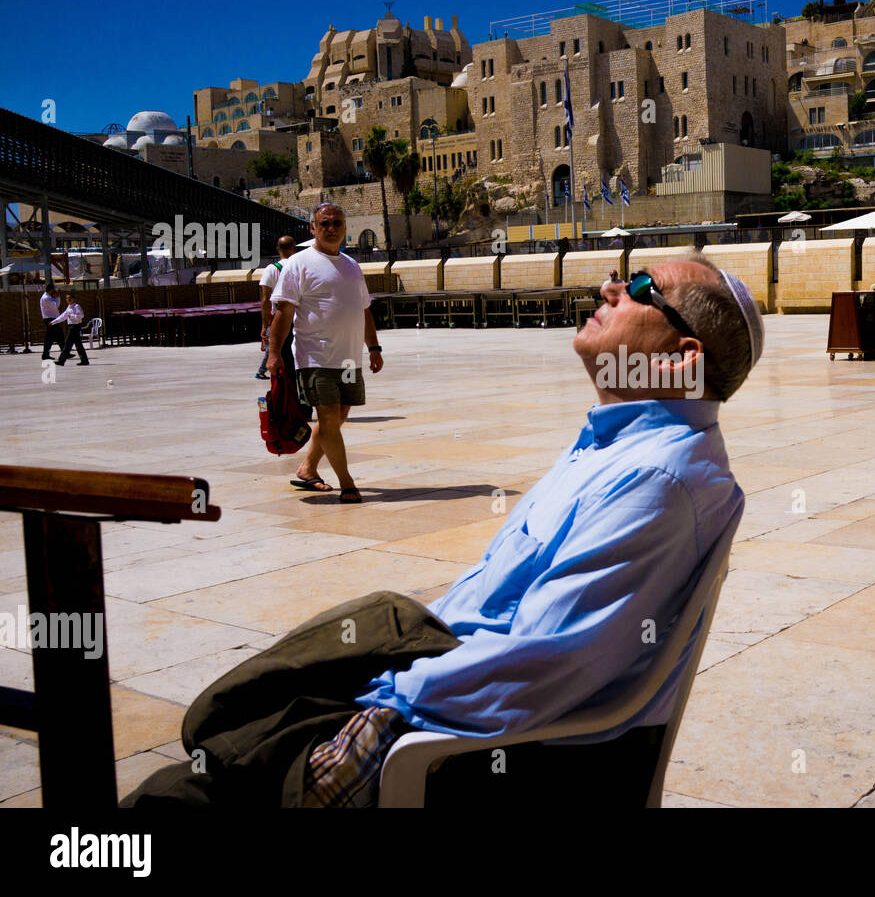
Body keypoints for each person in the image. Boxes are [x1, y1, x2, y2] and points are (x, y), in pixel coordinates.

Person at [123, 251, 764, 808]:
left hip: (472, 755)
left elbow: (545, 660)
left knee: (173, 800)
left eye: (645, 289)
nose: (611, 289)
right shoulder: (622, 449)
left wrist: (383, 704)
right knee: (220, 737)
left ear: (682, 359)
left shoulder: (657, 479)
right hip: (438, 687)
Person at [267, 204, 382, 502]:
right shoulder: (298, 263)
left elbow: (364, 309)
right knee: (329, 416)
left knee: (338, 417)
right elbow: (283, 311)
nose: (332, 228)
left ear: (345, 227)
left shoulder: (351, 265)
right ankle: (348, 483)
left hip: (348, 358)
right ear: (313, 228)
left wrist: (374, 347)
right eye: (325, 223)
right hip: (315, 357)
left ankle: (307, 469)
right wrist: (274, 353)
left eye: (337, 223)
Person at [256, 236, 299, 380]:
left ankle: (286, 395)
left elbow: (265, 300)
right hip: (301, 318)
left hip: (280, 319)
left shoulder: (271, 269)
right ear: (294, 249)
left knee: (283, 358)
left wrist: (265, 325)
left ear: (277, 249)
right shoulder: (301, 266)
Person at [51, 292, 89, 366]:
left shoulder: (76, 306)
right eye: (67, 298)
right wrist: (53, 322)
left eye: (69, 298)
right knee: (78, 345)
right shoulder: (68, 307)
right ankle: (84, 360)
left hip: (75, 327)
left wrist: (71, 316)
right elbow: (63, 316)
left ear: (73, 299)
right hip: (71, 327)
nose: (68, 299)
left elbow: (81, 315)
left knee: (67, 344)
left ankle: (61, 361)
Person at [39, 283, 64, 360]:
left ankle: (46, 354)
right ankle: (65, 351)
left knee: (51, 337)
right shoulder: (47, 298)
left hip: (51, 318)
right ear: (51, 290)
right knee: (58, 335)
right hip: (50, 319)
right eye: (54, 290)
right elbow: (56, 306)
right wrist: (58, 297)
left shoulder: (49, 297)